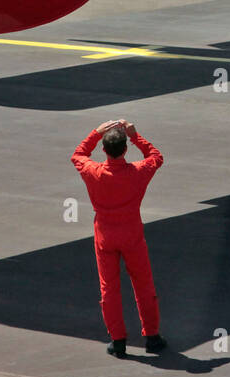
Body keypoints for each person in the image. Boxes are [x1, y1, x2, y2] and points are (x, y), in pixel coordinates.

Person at [70, 118, 167, 358]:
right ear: (125, 149)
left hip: (105, 235)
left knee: (109, 289)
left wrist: (96, 132)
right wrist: (135, 135)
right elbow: (156, 157)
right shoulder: (137, 172)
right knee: (143, 284)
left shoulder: (93, 172)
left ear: (104, 150)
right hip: (132, 233)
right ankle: (152, 336)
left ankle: (118, 340)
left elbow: (78, 155)